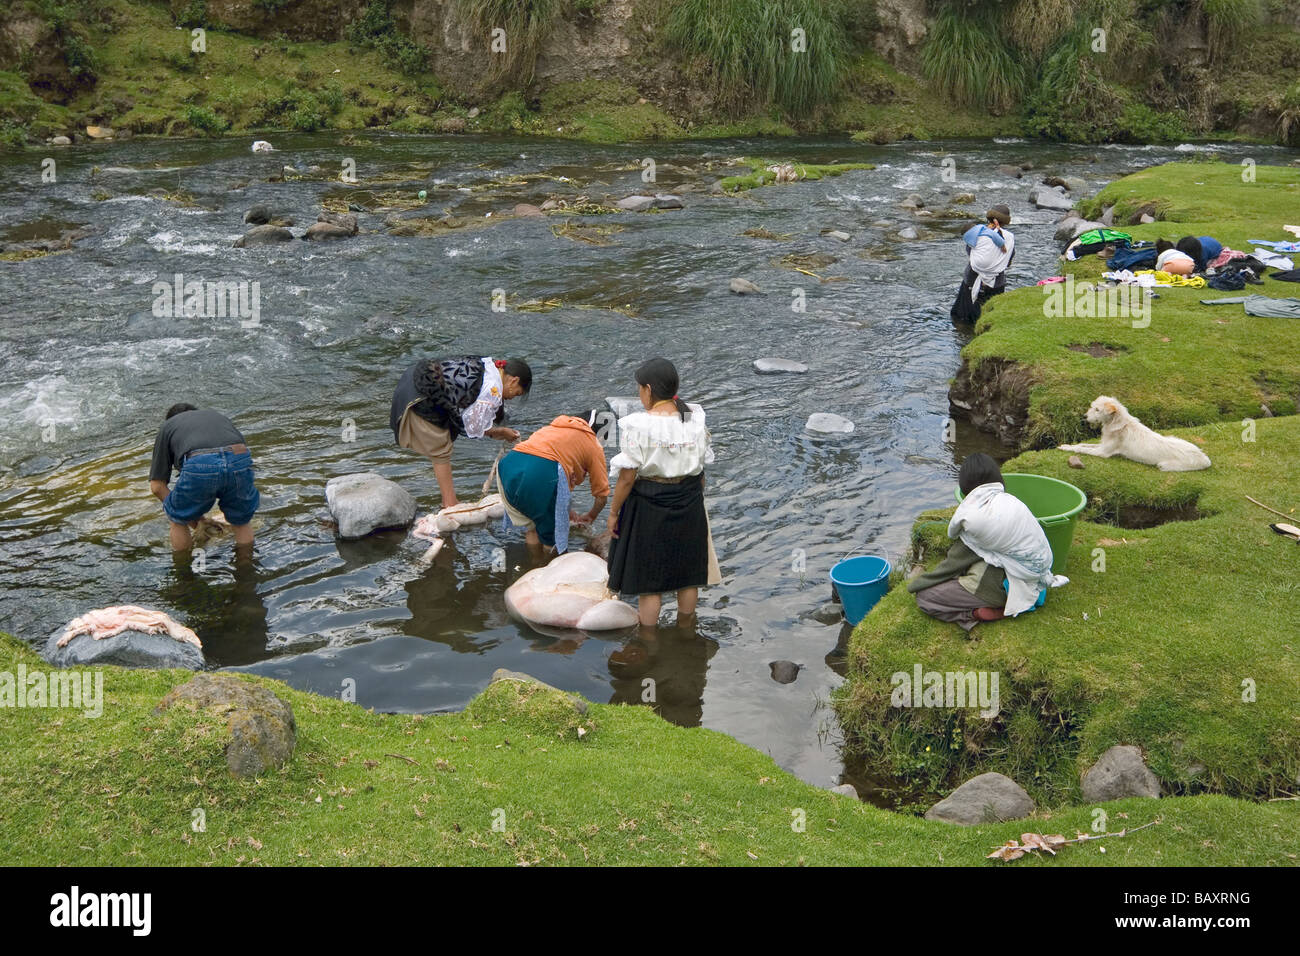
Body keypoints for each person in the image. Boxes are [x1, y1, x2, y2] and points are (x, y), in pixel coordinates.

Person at [606, 358, 721, 628]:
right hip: (690, 499)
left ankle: (648, 639)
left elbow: (626, 477)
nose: (639, 395)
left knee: (649, 580)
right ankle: (686, 631)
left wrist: (613, 513)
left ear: (648, 389)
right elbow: (701, 467)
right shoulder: (693, 418)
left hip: (649, 502)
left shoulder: (637, 425)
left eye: (639, 389)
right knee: (688, 572)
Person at [908, 453, 1060, 632]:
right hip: (1033, 578)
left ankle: (980, 614)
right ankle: (1000, 602)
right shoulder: (1011, 503)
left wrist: (916, 585)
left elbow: (951, 565)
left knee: (926, 598)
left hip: (1002, 586)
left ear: (965, 489)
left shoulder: (976, 521)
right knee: (968, 568)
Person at [390, 355, 531, 508]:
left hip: (413, 377)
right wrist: (500, 432)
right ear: (514, 381)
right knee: (441, 449)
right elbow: (473, 427)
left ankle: (448, 501)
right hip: (421, 394)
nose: (512, 397)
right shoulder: (493, 388)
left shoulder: (487, 365)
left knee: (443, 439)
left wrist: (497, 431)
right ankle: (450, 503)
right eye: (516, 393)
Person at [149, 403, 259, 552]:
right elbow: (231, 458)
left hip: (200, 461)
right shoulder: (216, 416)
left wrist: (189, 518)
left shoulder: (168, 426)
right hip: (239, 456)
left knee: (177, 520)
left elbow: (157, 487)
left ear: (171, 419)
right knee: (241, 521)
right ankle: (245, 566)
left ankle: (183, 570)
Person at [496, 412, 611, 554]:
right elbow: (602, 496)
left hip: (507, 468)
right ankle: (544, 564)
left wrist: (567, 510)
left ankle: (533, 562)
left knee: (532, 526)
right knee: (553, 537)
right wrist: (591, 515)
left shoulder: (553, 428)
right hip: (540, 475)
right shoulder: (593, 443)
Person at [951, 205, 1015, 323]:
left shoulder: (977, 234)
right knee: (990, 316)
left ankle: (962, 336)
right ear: (1006, 222)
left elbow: (970, 253)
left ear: (989, 218)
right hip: (996, 283)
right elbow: (1008, 261)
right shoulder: (1010, 238)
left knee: (962, 317)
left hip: (972, 278)